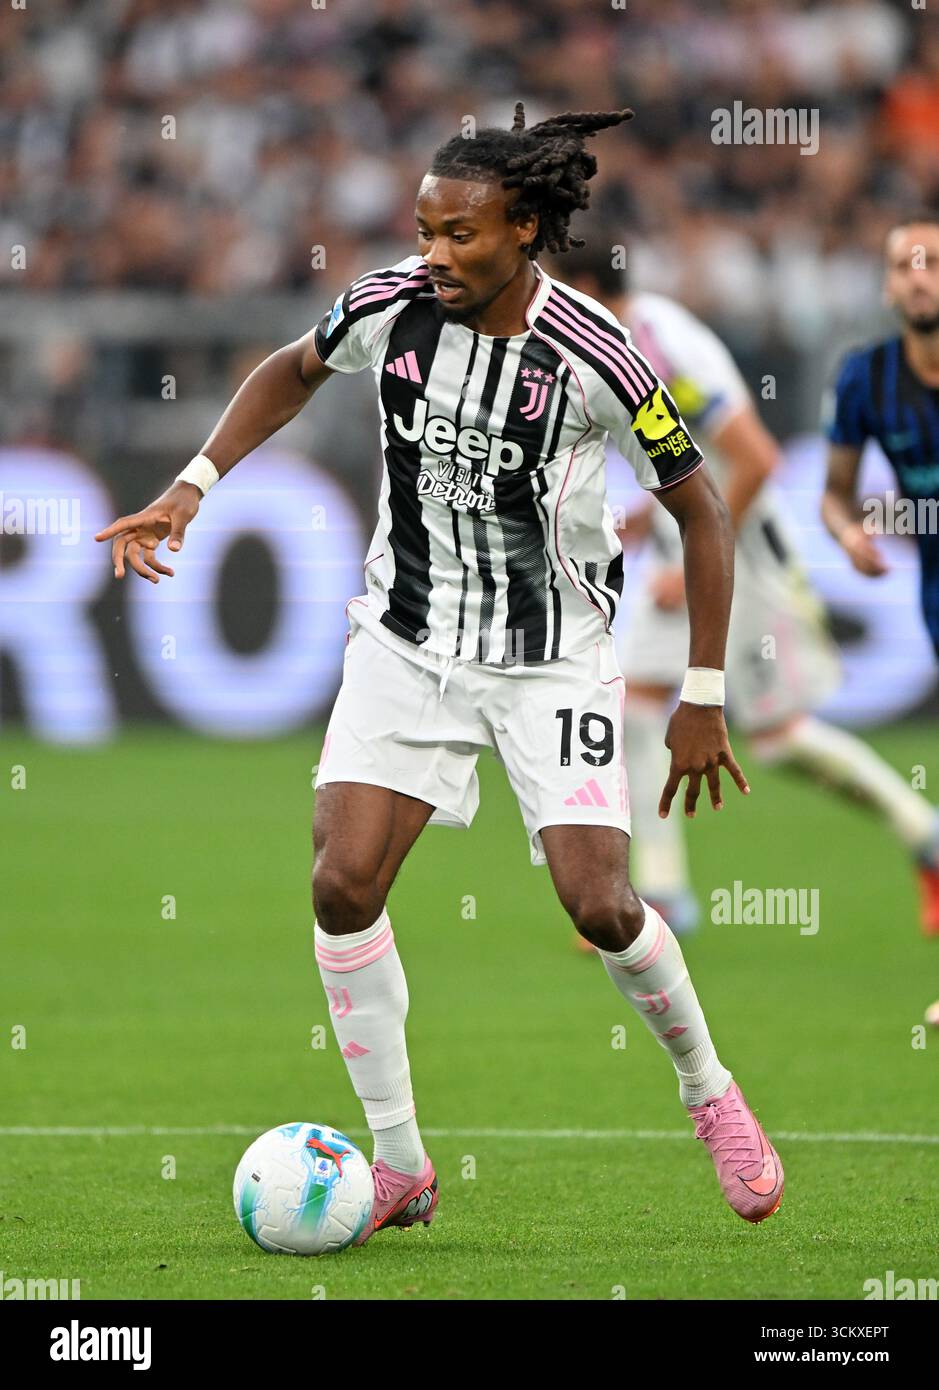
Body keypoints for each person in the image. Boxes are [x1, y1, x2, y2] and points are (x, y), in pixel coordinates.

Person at [95, 105, 784, 1235]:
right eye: (423, 230)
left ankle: (710, 1092)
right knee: (340, 881)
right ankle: (402, 1163)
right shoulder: (390, 308)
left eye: (459, 234)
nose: (434, 253)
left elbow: (702, 512)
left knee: (602, 902)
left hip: (548, 657)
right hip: (407, 639)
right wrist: (191, 486)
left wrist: (703, 694)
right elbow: (293, 365)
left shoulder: (600, 356)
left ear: (522, 229)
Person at [547, 236, 939, 941]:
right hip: (702, 544)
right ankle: (664, 893)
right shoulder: (619, 339)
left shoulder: (661, 344)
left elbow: (755, 457)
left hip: (739, 555)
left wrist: (691, 552)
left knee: (773, 736)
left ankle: (922, 831)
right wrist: (652, 520)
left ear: (581, 283)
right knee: (642, 697)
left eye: (551, 282)